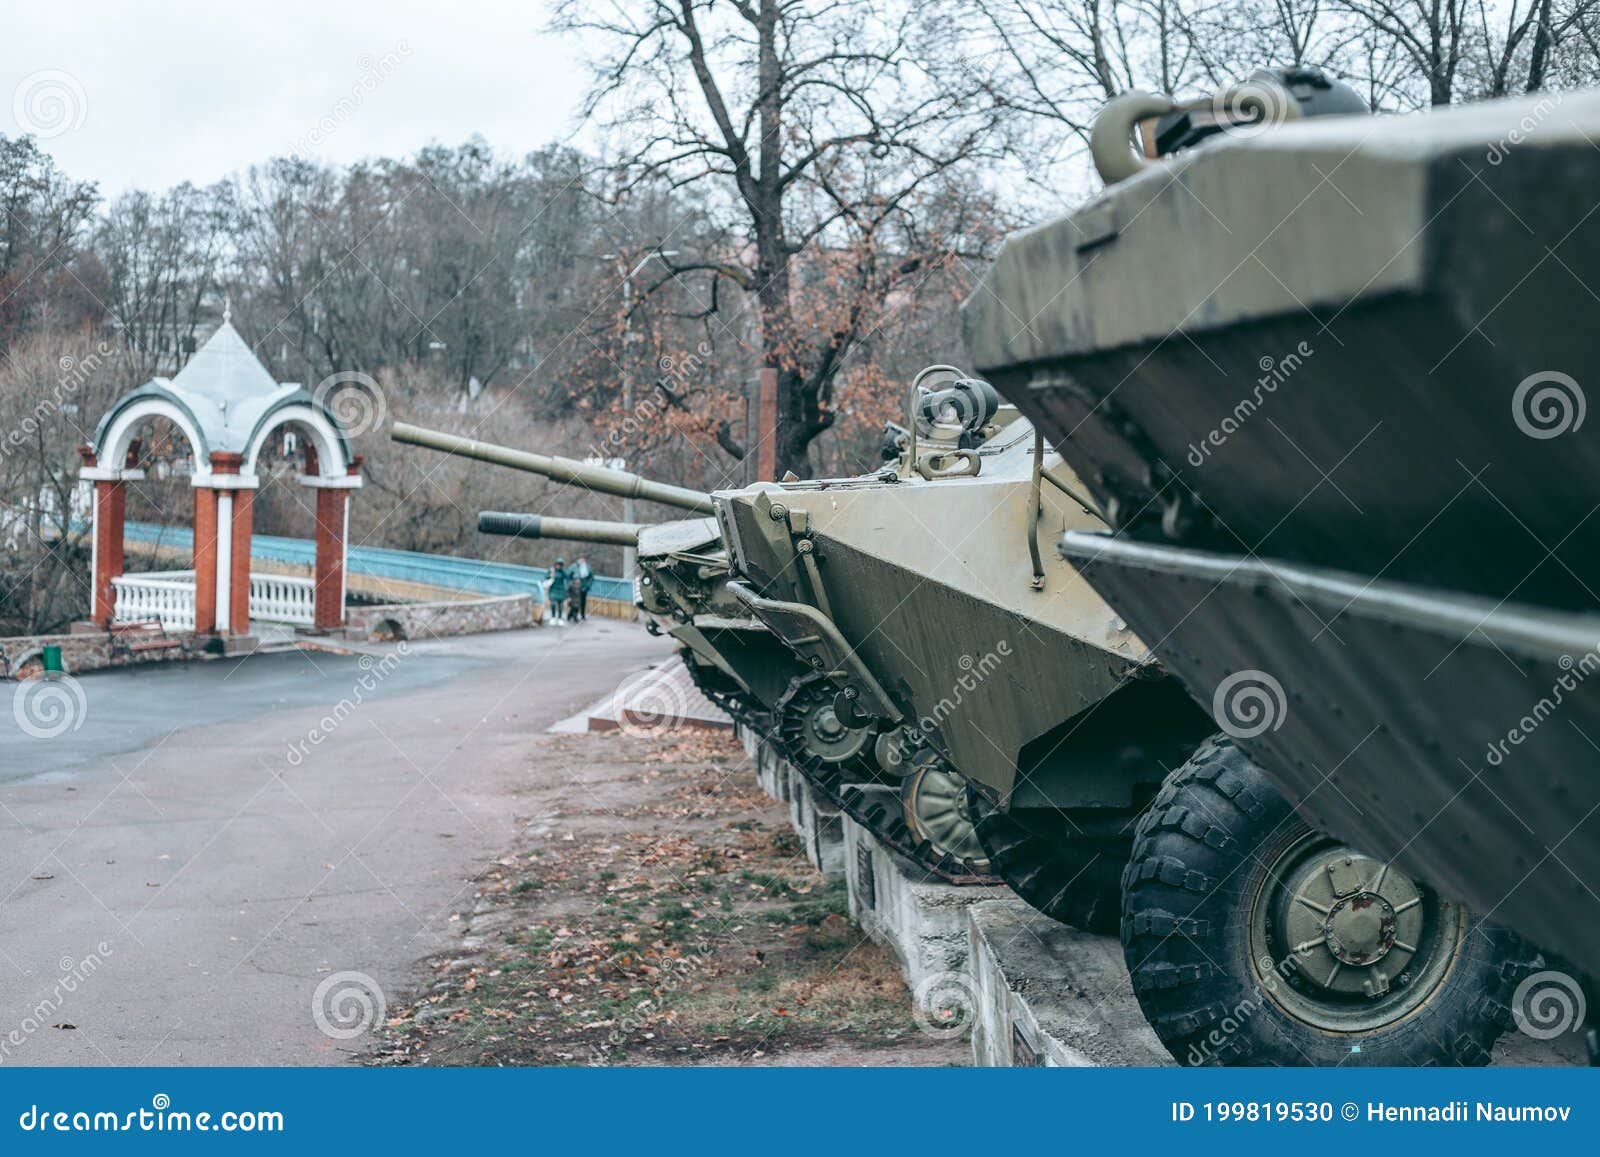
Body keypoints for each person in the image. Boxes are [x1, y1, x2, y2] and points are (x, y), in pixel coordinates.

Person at [545, 558, 569, 625]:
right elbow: (546, 577)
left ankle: (560, 618)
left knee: (561, 605)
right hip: (553, 589)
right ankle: (552, 617)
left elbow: (567, 577)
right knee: (553, 604)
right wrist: (550, 575)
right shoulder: (552, 571)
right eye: (557, 564)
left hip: (561, 590)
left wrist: (563, 571)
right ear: (555, 564)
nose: (558, 566)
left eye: (560, 565)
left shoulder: (563, 572)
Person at [570, 553, 593, 622]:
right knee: (575, 602)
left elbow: (591, 577)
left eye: (583, 559)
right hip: (575, 586)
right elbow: (569, 575)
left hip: (584, 587)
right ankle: (573, 615)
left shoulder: (587, 567)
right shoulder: (574, 566)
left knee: (583, 602)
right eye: (580, 559)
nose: (581, 560)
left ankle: (582, 615)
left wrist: (588, 586)